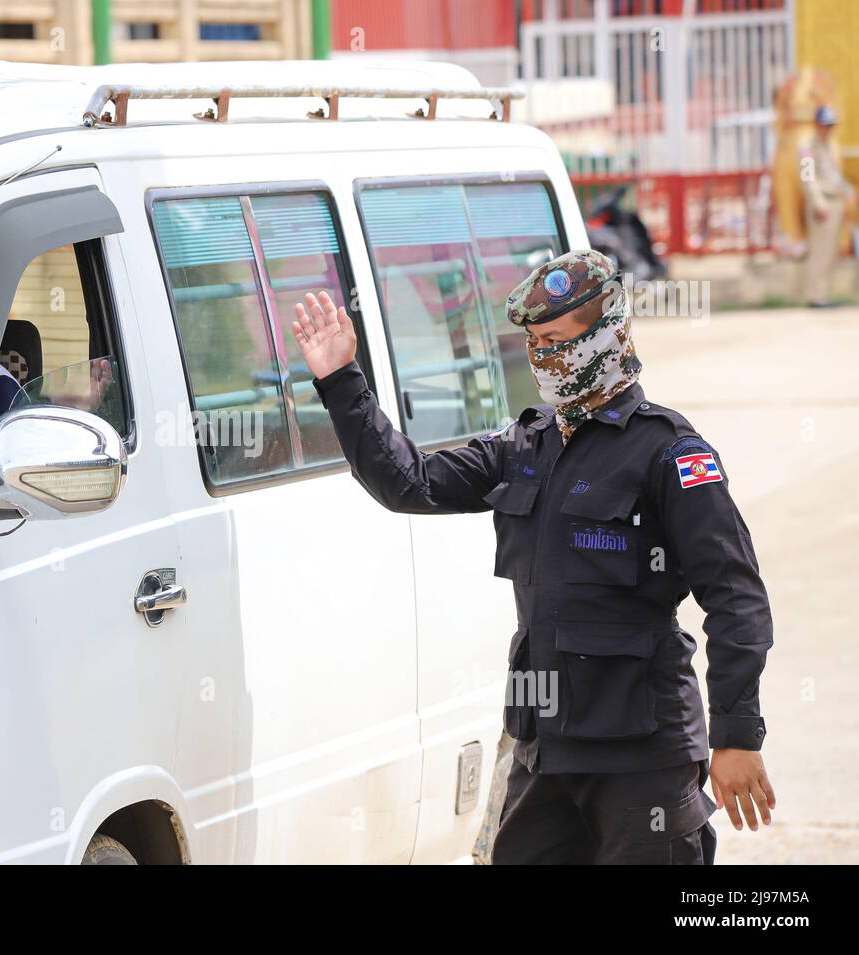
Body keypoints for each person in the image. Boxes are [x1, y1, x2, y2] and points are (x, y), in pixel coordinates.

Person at [292, 250, 775, 865]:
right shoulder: (525, 445)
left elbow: (736, 599)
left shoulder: (670, 454)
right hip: (543, 751)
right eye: (533, 342)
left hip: (643, 757)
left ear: (611, 337)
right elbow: (407, 482)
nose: (543, 358)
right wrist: (340, 381)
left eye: (556, 341)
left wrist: (736, 734)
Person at [799, 105, 855, 307]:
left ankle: (823, 294)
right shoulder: (807, 146)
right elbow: (807, 178)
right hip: (821, 203)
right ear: (816, 125)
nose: (828, 129)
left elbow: (835, 175)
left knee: (831, 253)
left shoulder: (832, 145)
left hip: (836, 201)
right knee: (820, 252)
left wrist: (848, 191)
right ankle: (815, 297)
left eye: (830, 125)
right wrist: (817, 203)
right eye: (825, 125)